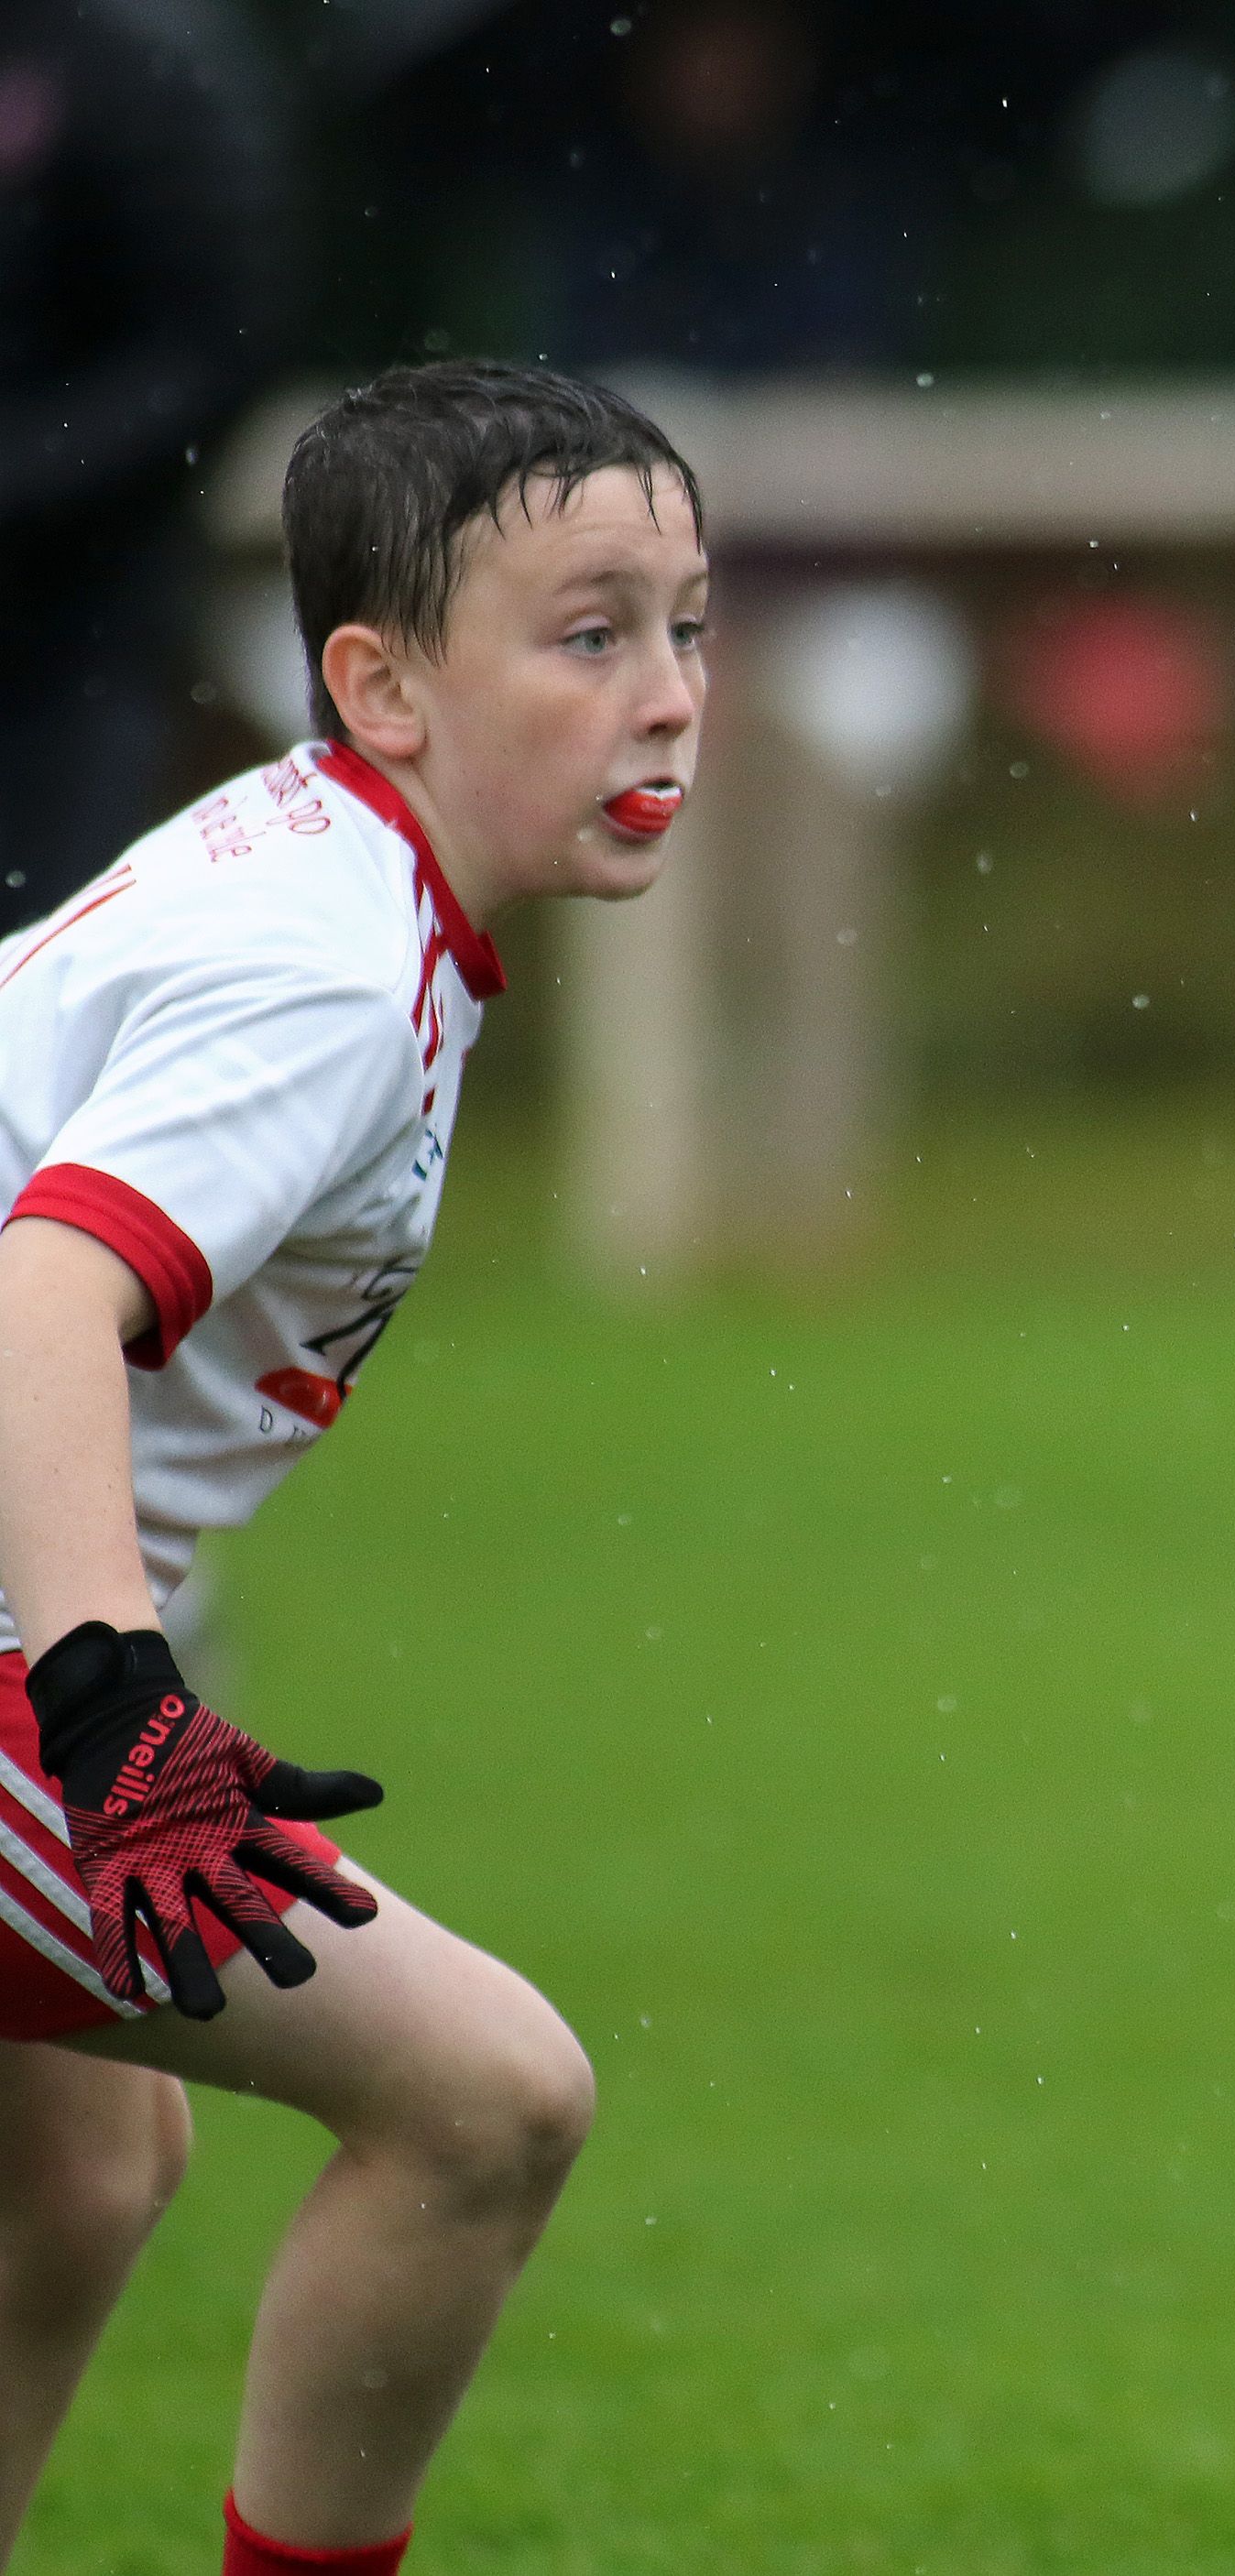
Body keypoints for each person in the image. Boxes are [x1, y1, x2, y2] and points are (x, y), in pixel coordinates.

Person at [0, 362, 710, 2576]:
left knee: (83, 2172)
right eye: (589, 635)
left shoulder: (321, 858)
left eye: (691, 622)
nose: (670, 696)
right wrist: (122, 1710)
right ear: (380, 684)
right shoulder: (328, 969)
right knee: (486, 2096)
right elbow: (41, 1289)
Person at [0, 0, 294, 932]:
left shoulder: (144, 60)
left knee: (45, 954)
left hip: (79, 627)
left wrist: (30, 469)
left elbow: (216, 346)